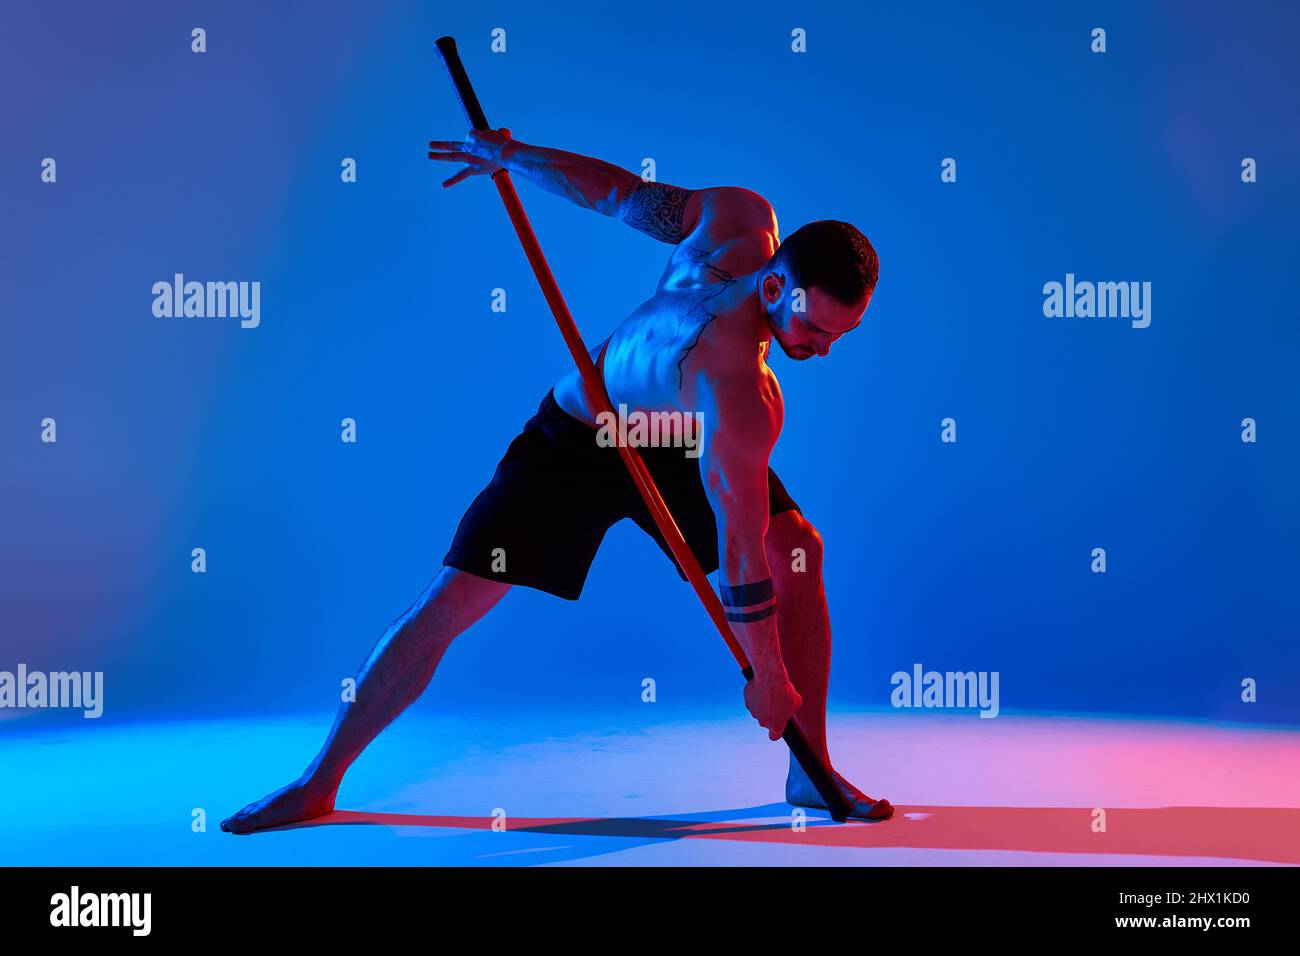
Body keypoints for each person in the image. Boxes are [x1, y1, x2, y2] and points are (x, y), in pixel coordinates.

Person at [221, 129, 888, 833]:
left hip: (683, 438)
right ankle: (318, 782)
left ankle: (808, 769)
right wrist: (766, 673)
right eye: (815, 328)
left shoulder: (741, 322)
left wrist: (512, 154)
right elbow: (621, 195)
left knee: (800, 550)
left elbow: (745, 538)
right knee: (449, 603)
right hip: (579, 436)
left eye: (840, 337)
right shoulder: (740, 339)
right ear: (778, 283)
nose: (822, 349)